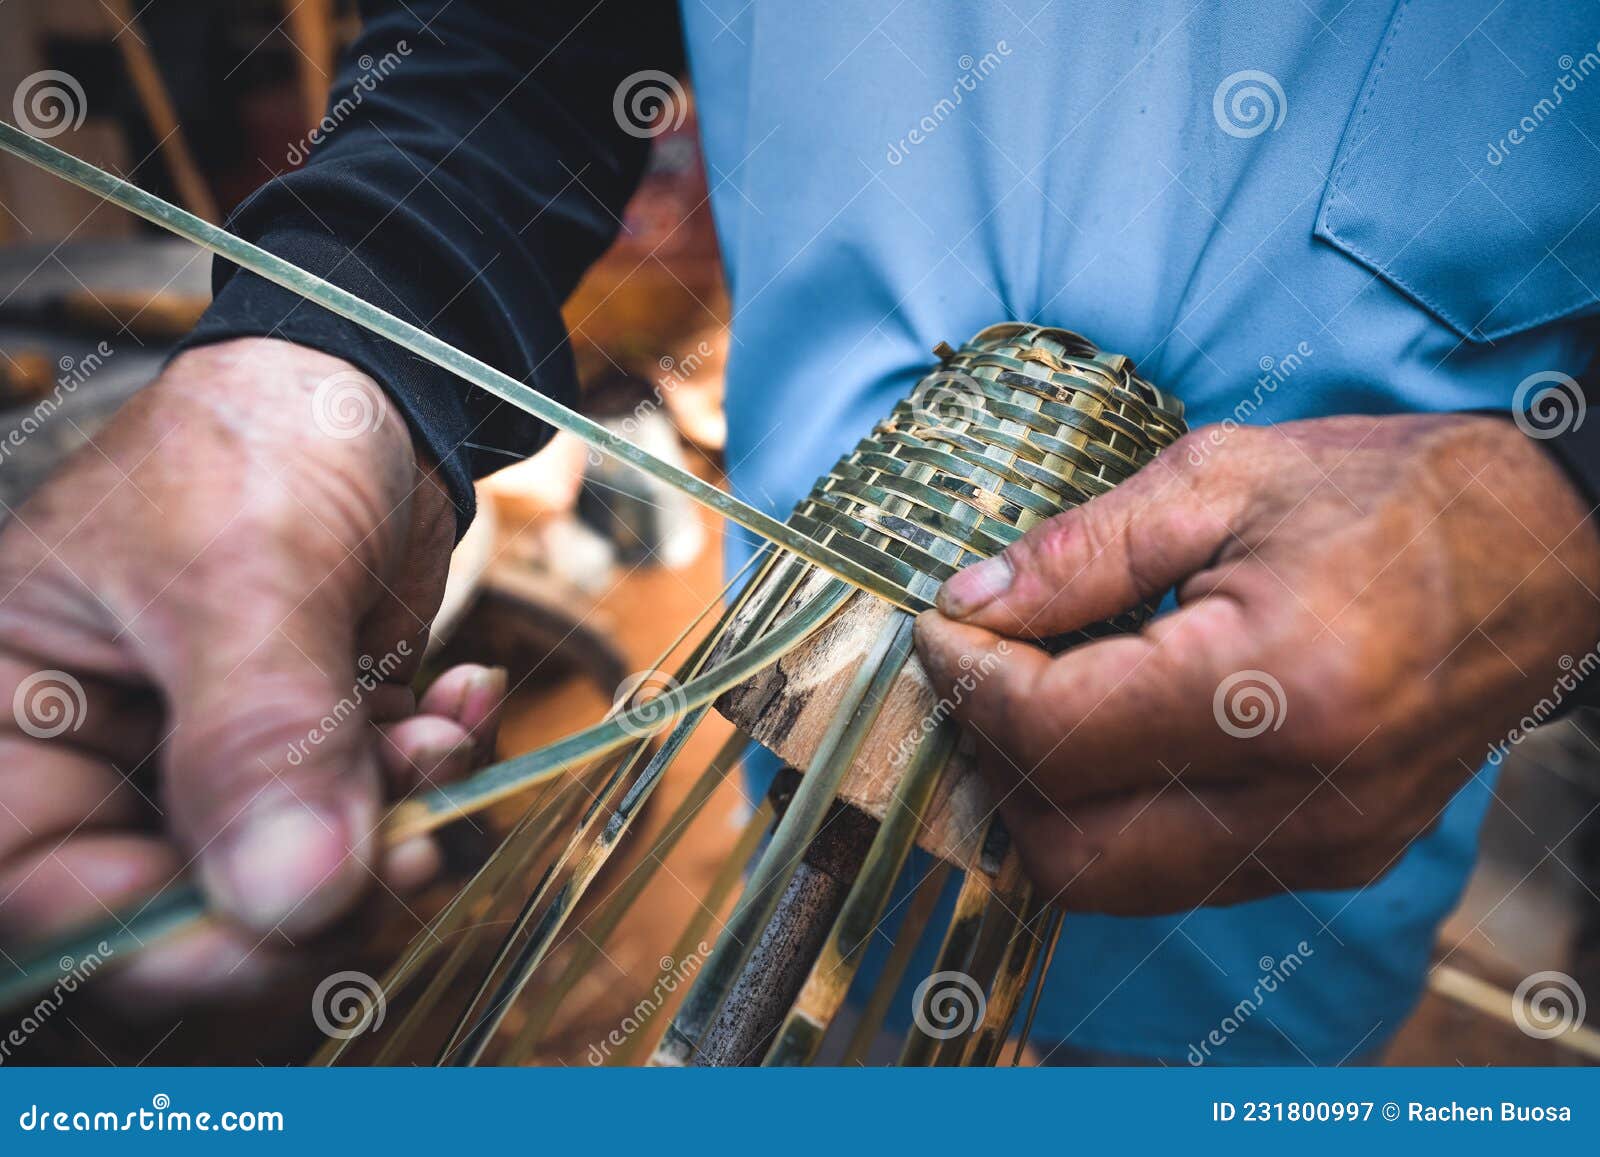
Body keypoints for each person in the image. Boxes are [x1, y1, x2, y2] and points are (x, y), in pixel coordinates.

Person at [1, 0, 1596, 1062]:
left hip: (1286, 900)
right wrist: (343, 337)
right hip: (784, 707)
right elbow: (524, 48)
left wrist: (1567, 509)